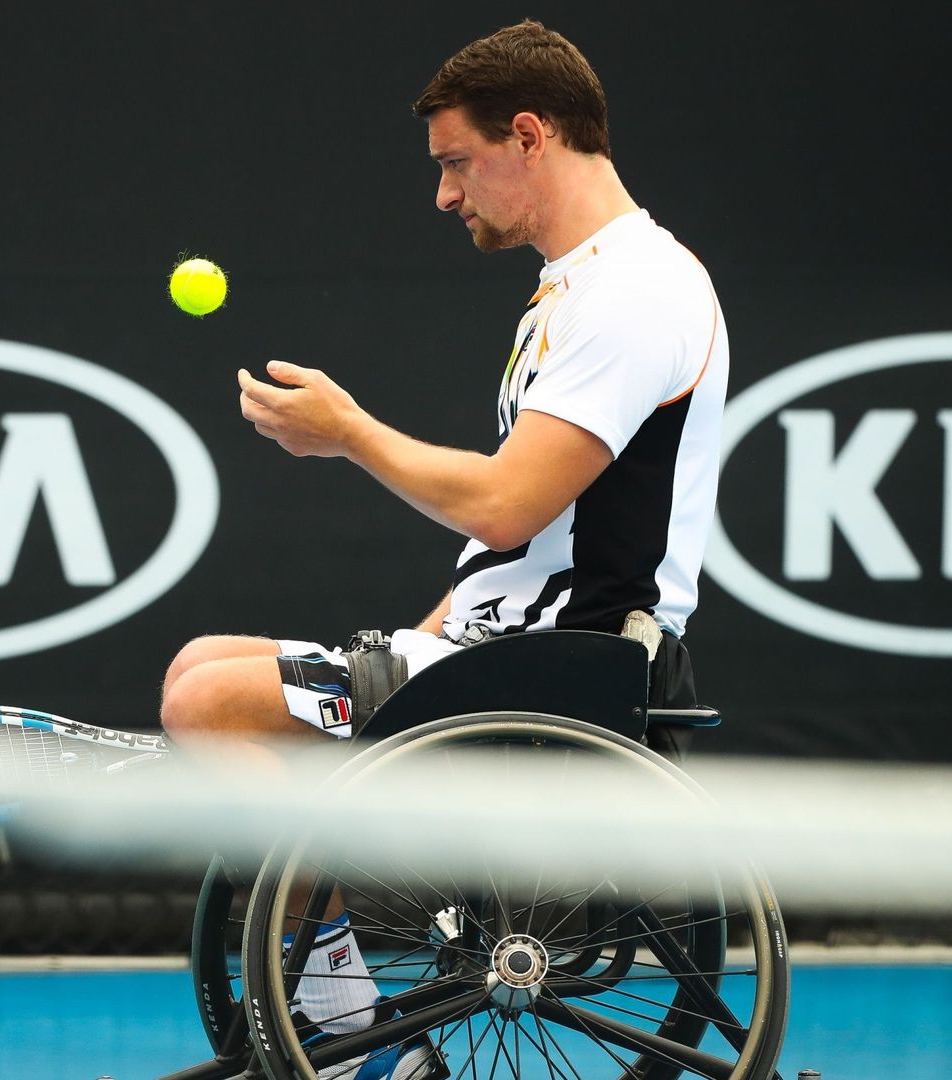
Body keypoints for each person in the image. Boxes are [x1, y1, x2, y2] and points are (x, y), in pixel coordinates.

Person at [160, 18, 729, 1078]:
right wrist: (429, 634)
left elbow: (508, 507)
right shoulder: (578, 287)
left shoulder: (636, 291)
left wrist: (351, 436)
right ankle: (336, 1013)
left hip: (573, 668)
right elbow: (530, 539)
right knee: (199, 669)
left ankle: (362, 1049)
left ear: (528, 136)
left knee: (206, 707)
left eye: (456, 164)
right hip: (514, 646)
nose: (445, 196)